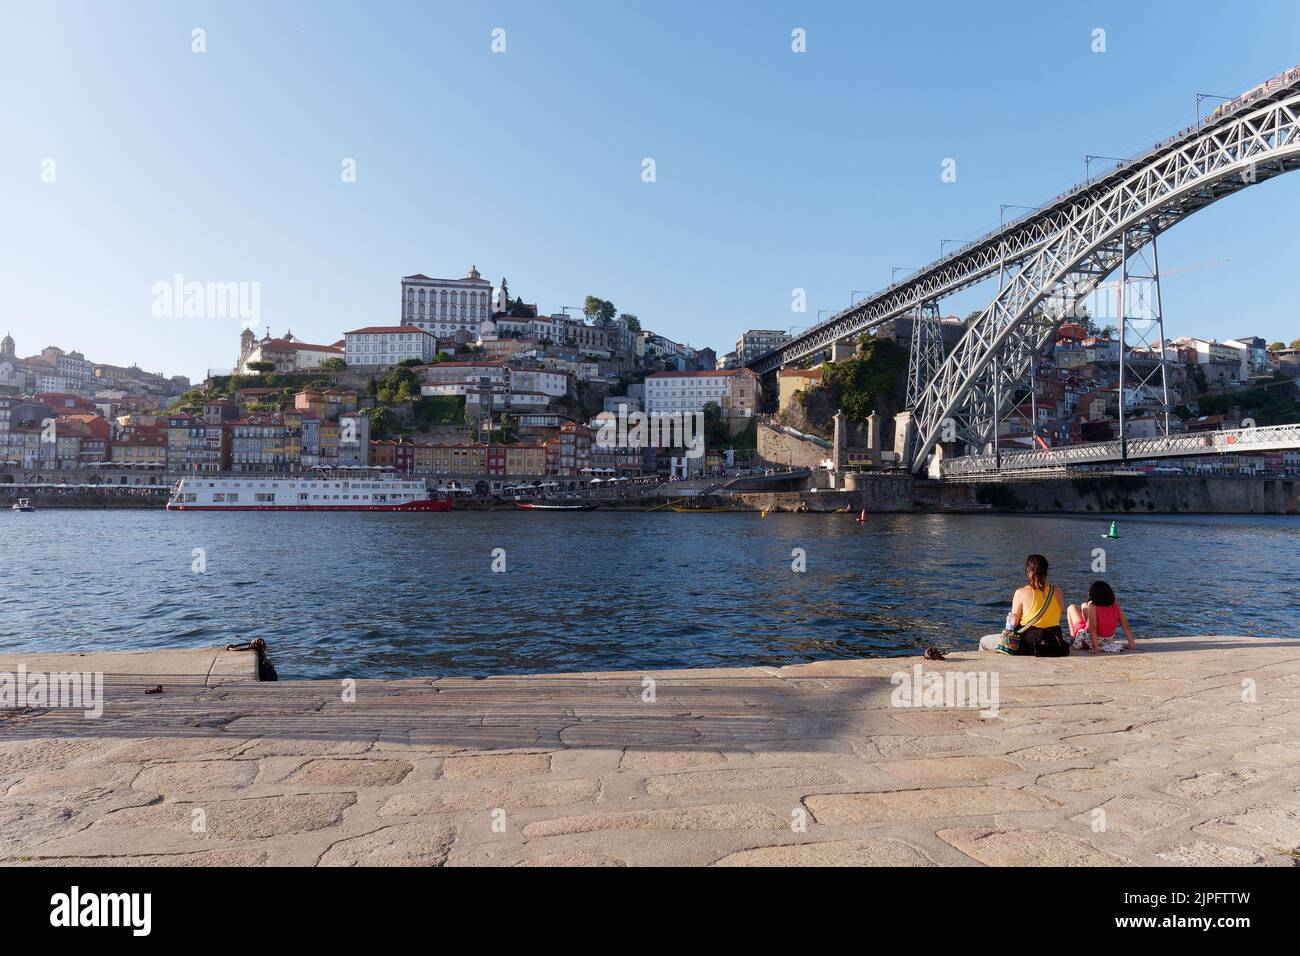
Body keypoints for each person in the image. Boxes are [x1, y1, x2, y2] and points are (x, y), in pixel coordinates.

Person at [980, 554, 1067, 655]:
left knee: (984, 641)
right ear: (1046, 572)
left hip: (1029, 644)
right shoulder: (1057, 591)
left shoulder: (1021, 593)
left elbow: (1013, 623)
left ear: (1027, 572)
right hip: (1054, 643)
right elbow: (1058, 614)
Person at [1067, 581, 1137, 654]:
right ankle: (1081, 633)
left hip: (1088, 641)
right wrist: (1132, 644)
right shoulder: (1115, 605)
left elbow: (1092, 628)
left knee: (1072, 607)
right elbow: (1126, 626)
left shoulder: (1092, 605)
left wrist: (1095, 648)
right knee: (1084, 605)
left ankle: (1073, 638)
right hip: (1107, 642)